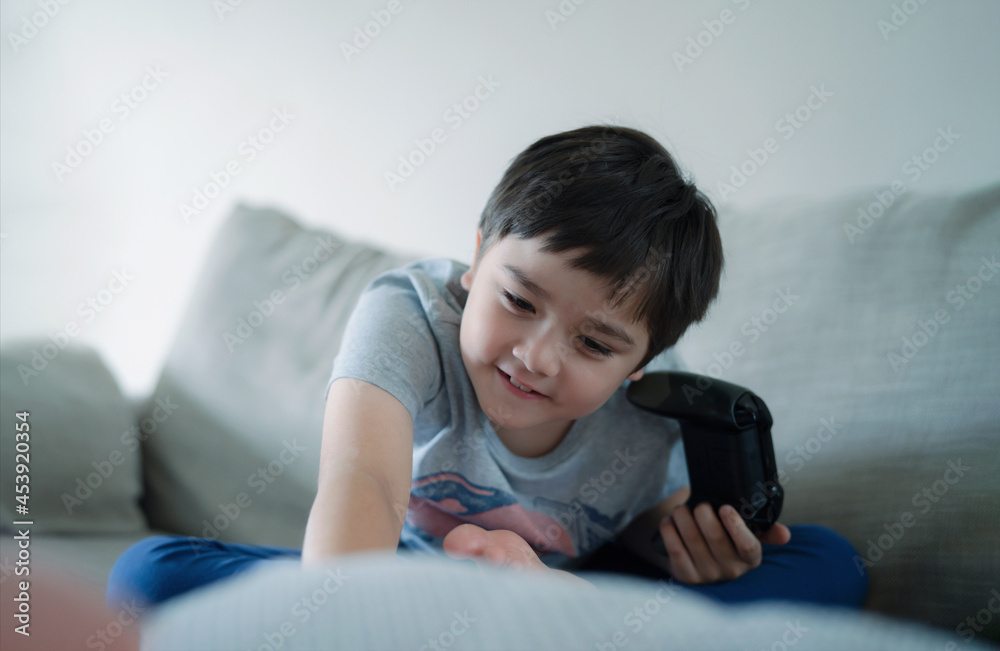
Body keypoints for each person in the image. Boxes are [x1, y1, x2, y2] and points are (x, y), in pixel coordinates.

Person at [107, 125, 867, 610]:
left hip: (576, 588)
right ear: (476, 258)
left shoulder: (649, 404)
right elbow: (361, 480)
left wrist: (687, 541)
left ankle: (548, 616)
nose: (535, 356)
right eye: (518, 298)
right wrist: (339, 620)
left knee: (827, 564)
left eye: (596, 345)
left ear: (644, 359)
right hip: (399, 581)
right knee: (150, 574)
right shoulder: (408, 315)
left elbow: (640, 523)